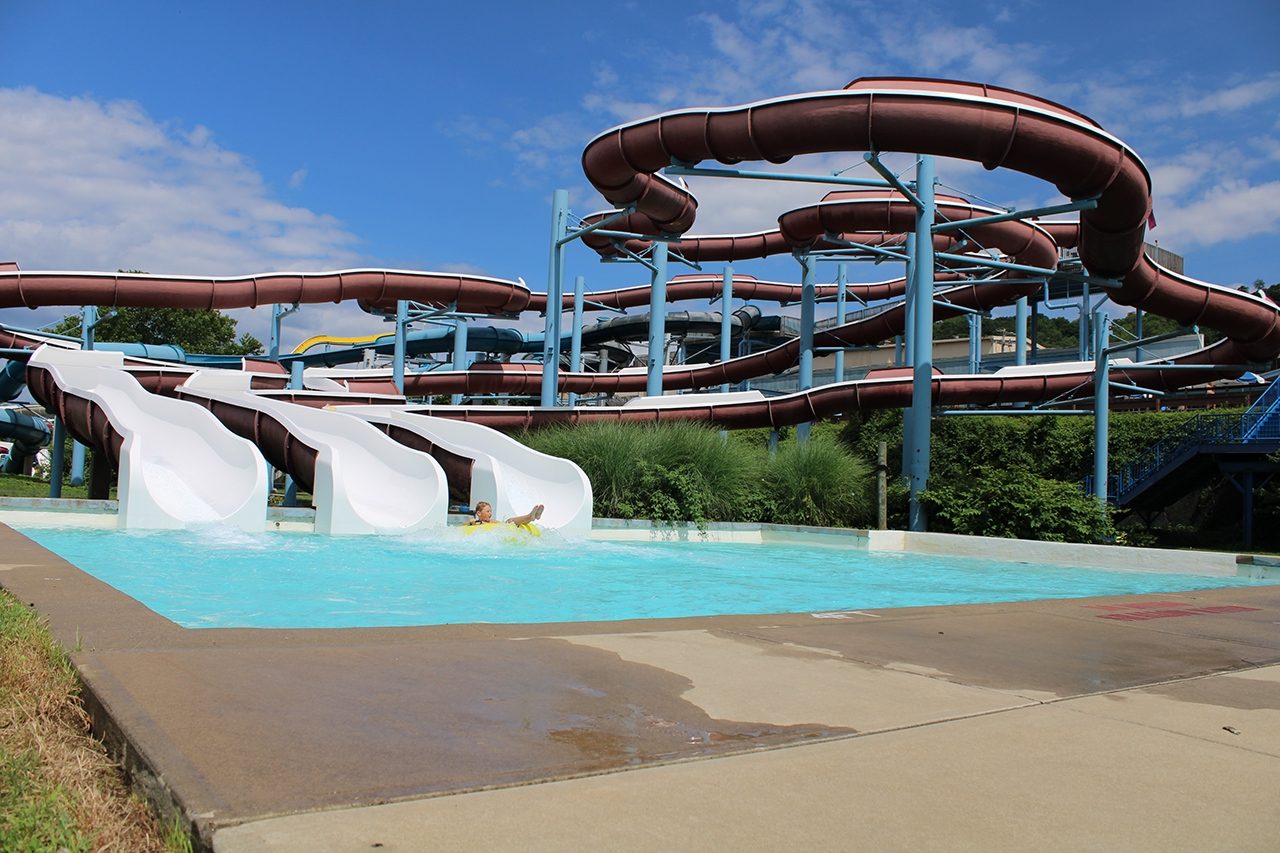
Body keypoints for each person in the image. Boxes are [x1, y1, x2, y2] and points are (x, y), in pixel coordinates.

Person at [464, 501, 545, 527]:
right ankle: (530, 517)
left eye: (491, 511)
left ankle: (531, 517)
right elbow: (465, 524)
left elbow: (502, 525)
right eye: (488, 511)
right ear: (479, 513)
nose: (490, 513)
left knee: (509, 521)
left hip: (507, 527)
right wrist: (474, 522)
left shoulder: (492, 521)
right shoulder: (474, 521)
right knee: (510, 522)